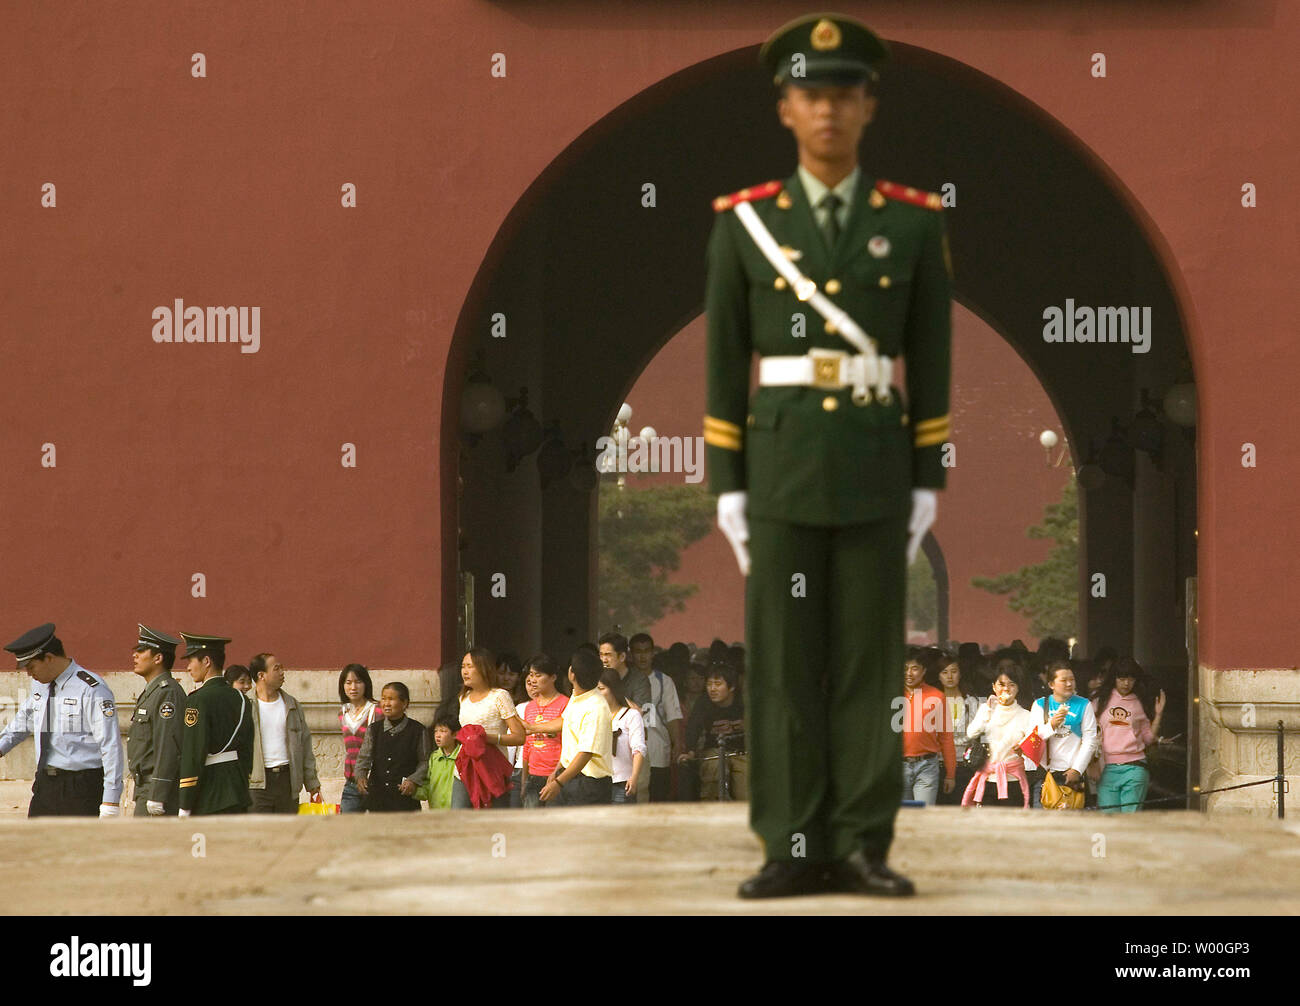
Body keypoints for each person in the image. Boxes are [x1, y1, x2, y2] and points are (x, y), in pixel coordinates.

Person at [706, 13, 950, 898]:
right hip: (779, 472)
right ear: (785, 107)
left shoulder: (915, 227)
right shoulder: (744, 228)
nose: (828, 111)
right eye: (812, 94)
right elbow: (725, 366)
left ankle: (860, 843)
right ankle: (791, 843)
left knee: (866, 668)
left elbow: (931, 357)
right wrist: (728, 488)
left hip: (877, 470)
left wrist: (928, 477)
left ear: (867, 105)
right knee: (781, 668)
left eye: (844, 94)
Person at [0, 623, 126, 817]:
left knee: (77, 846)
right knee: (38, 845)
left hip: (81, 788)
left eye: (31, 667)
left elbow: (110, 745)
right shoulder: (39, 685)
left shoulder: (91, 688)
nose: (29, 673)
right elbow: (21, 723)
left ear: (49, 658)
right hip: (45, 786)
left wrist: (111, 799)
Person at [177, 632, 253, 816]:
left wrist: (185, 803)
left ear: (206, 661)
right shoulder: (241, 699)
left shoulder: (198, 700)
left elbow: (193, 754)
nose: (188, 667)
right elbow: (247, 750)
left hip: (208, 796)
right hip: (237, 790)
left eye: (191, 660)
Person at [246, 652, 321, 812]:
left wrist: (312, 784)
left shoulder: (292, 705)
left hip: (288, 782)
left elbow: (305, 746)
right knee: (259, 834)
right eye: (276, 668)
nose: (282, 672)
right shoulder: (245, 705)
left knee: (287, 834)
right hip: (257, 784)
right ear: (262, 675)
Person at [961, 669, 1046, 807]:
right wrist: (987, 712)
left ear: (1018, 688)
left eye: (1011, 684)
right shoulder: (985, 709)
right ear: (994, 687)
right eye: (1001, 684)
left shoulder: (1026, 715)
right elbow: (971, 733)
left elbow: (1035, 748)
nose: (1006, 689)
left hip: (1014, 782)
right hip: (988, 779)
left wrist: (1023, 748)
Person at [127, 624, 188, 816]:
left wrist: (158, 793)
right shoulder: (151, 693)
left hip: (156, 788)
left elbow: (168, 745)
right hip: (144, 786)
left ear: (158, 658)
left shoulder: (167, 693)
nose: (134, 656)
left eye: (141, 651)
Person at [539, 648, 613, 806]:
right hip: (568, 775)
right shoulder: (577, 696)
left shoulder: (596, 706)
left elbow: (586, 753)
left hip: (589, 784)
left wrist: (559, 782)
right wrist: (558, 769)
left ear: (571, 674)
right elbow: (566, 724)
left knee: (582, 830)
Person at [452, 647, 523, 809]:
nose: (465, 671)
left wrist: (488, 738)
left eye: (470, 666)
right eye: (463, 666)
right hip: (465, 770)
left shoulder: (499, 696)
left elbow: (519, 736)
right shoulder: (463, 697)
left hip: (492, 771)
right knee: (459, 821)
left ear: (484, 668)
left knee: (493, 824)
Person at [1094, 657, 1166, 813]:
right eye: (1122, 678)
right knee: (1108, 821)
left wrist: (1158, 715)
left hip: (1135, 768)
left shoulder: (1139, 703)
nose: (1126, 683)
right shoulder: (1100, 701)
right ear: (1114, 678)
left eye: (1131, 678)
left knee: (1129, 823)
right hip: (1106, 769)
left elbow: (1148, 738)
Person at [1029, 665, 1098, 808]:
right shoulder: (1040, 705)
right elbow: (1033, 739)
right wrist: (1052, 725)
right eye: (1063, 680)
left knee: (1074, 825)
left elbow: (1090, 740)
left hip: (1072, 776)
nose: (1069, 684)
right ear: (1051, 684)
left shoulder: (1084, 704)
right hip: (1046, 775)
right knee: (1041, 825)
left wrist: (1077, 770)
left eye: (1072, 680)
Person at [679, 661, 748, 800]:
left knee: (745, 789)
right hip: (714, 751)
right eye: (709, 684)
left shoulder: (744, 702)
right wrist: (690, 751)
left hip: (742, 752)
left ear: (732, 687)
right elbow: (694, 727)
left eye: (717, 684)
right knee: (713, 771)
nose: (712, 689)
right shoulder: (703, 702)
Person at [355, 682, 428, 813]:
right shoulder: (373, 730)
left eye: (391, 699)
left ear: (404, 703)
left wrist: (414, 780)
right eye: (383, 698)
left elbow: (425, 761)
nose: (386, 704)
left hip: (405, 801)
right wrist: (360, 776)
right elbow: (363, 758)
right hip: (377, 800)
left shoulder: (418, 730)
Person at [632, 633, 684, 802]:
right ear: (630, 653)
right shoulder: (624, 680)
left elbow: (672, 715)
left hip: (658, 750)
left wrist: (677, 743)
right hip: (631, 752)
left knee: (657, 799)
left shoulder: (664, 681)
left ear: (652, 653)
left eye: (646, 651)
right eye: (638, 651)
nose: (642, 656)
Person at [900, 654, 955, 804]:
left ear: (924, 671)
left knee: (923, 815)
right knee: (902, 818)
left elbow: (946, 737)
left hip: (927, 766)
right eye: (905, 669)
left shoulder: (937, 696)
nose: (909, 673)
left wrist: (950, 774)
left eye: (914, 669)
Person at [518, 654, 568, 808]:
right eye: (531, 675)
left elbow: (569, 745)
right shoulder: (529, 707)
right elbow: (527, 746)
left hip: (557, 776)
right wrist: (524, 781)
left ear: (553, 677)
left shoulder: (565, 704)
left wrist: (557, 773)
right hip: (533, 777)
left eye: (538, 675)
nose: (533, 680)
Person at [338, 663, 382, 813]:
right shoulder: (343, 712)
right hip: (352, 782)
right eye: (348, 683)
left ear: (366, 684)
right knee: (348, 830)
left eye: (358, 682)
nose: (353, 687)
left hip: (375, 781)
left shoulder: (377, 711)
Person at [598, 669, 647, 804]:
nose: (598, 694)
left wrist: (634, 777)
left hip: (622, 782)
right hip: (597, 782)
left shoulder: (631, 715)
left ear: (613, 689)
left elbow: (639, 748)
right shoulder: (594, 716)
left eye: (601, 689)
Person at [414, 713, 462, 810]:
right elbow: (428, 786)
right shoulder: (434, 757)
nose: (438, 736)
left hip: (456, 812)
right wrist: (414, 791)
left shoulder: (462, 757)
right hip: (436, 812)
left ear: (455, 734)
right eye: (436, 731)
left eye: (443, 731)